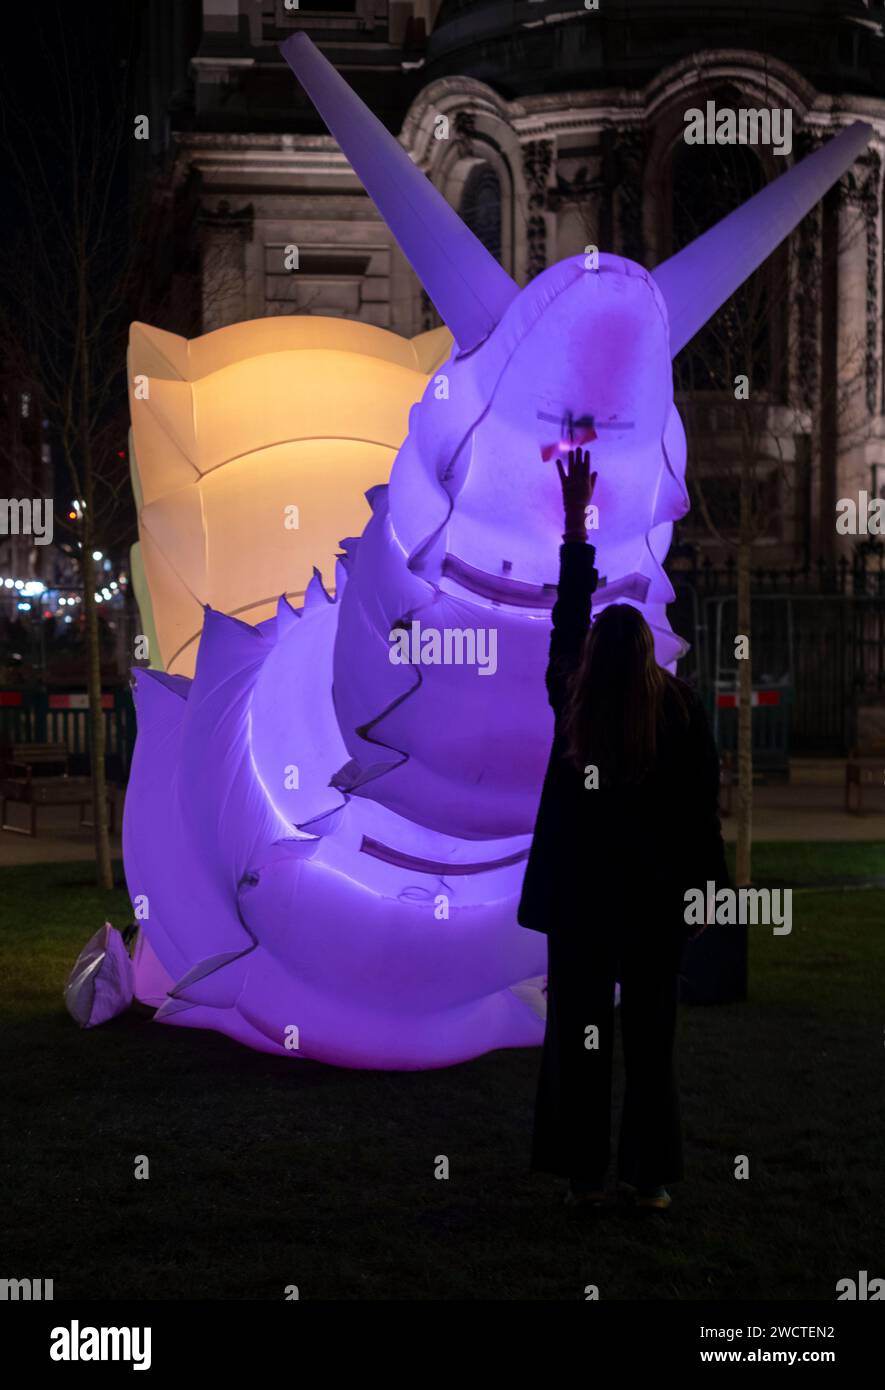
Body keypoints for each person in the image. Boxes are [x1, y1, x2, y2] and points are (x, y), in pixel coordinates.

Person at [517, 446, 729, 1212]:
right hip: (651, 911)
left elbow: (567, 612)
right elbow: (701, 818)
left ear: (589, 663)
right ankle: (649, 1179)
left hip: (580, 910)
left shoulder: (572, 703)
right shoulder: (678, 714)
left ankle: (580, 1174)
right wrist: (706, 901)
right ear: (648, 661)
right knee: (650, 1043)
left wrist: (576, 521)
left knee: (577, 1037)